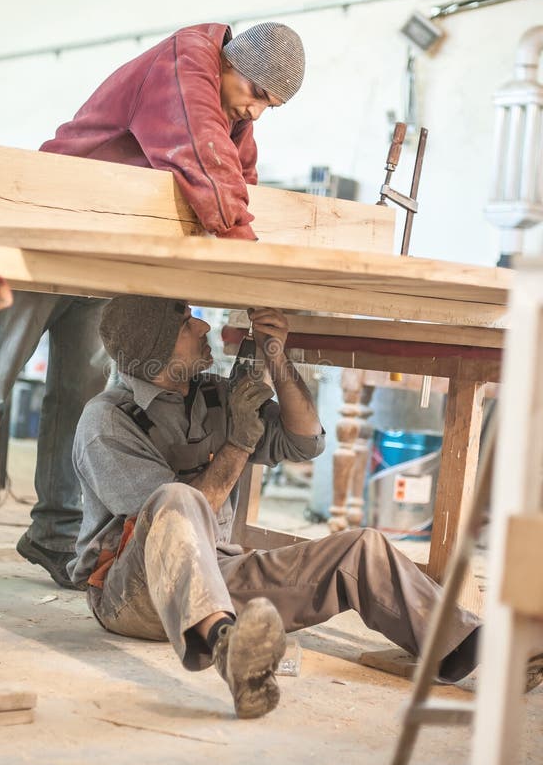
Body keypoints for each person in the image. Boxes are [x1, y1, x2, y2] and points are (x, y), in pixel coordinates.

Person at [0, 21, 306, 590]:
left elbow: (242, 180)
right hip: (47, 231)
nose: (258, 113)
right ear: (232, 64)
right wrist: (251, 270)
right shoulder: (186, 68)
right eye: (258, 96)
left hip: (104, 253)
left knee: (76, 394)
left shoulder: (231, 110)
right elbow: (210, 170)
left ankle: (56, 535)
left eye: (271, 107)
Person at [69, 295, 517, 720]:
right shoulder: (107, 421)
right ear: (158, 348)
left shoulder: (208, 393)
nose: (203, 325)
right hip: (135, 593)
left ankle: (483, 652)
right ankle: (229, 648)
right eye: (187, 323)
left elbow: (306, 442)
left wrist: (275, 356)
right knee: (176, 497)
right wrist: (239, 443)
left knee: (359, 550)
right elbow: (186, 516)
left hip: (220, 575)